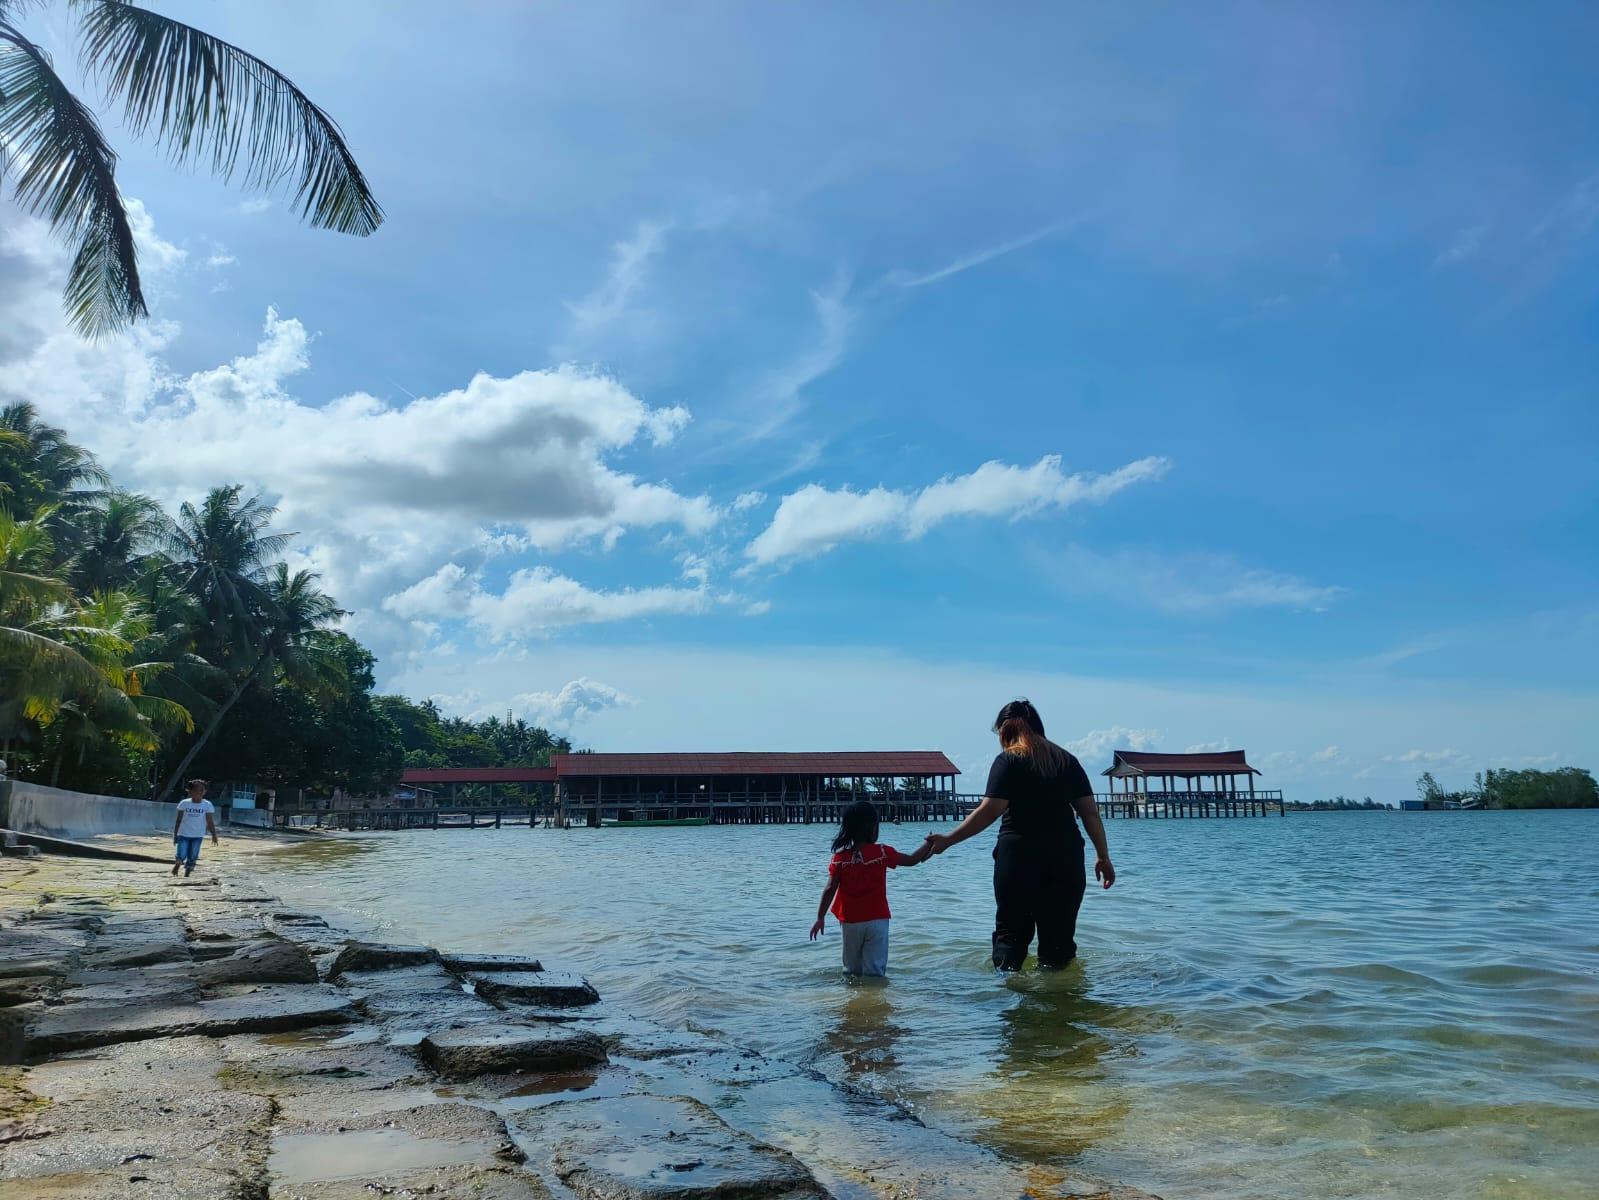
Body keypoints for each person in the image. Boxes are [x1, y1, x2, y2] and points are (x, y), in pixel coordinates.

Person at [925, 699, 1115, 970]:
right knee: (1058, 943)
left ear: (1004, 730)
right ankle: (1061, 1007)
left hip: (1019, 860)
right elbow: (1090, 813)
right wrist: (1103, 856)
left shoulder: (1008, 761)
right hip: (1065, 859)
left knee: (1010, 938)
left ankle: (1009, 1006)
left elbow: (990, 810)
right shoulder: (1066, 760)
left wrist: (948, 840)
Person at [809, 799, 931, 976]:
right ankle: (874, 1000)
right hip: (877, 920)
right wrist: (928, 844)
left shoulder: (839, 858)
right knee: (875, 969)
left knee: (851, 969)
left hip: (850, 921)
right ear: (873, 828)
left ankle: (853, 1001)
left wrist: (820, 917)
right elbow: (912, 860)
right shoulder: (882, 852)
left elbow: (829, 889)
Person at [172, 779, 219, 877]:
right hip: (183, 834)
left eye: (202, 790)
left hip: (198, 835)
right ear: (190, 791)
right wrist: (175, 835)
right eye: (197, 790)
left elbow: (210, 821)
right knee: (182, 852)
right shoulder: (184, 803)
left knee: (193, 855)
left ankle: (187, 872)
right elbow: (178, 820)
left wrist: (214, 835)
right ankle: (177, 865)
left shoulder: (207, 805)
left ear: (205, 791)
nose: (200, 792)